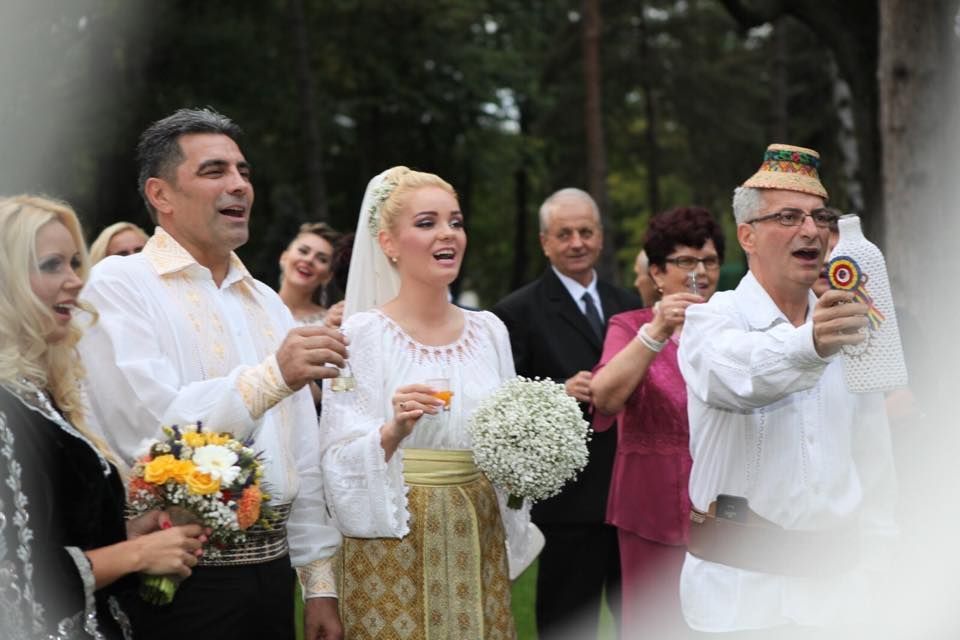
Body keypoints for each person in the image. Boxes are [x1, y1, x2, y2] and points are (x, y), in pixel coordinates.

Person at [77, 108, 346, 640]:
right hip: (176, 578)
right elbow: (152, 429)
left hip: (272, 577)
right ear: (161, 194)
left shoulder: (266, 301)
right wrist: (272, 377)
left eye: (243, 171)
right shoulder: (118, 285)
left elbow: (302, 452)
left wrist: (318, 583)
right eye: (214, 171)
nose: (239, 184)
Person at [677, 144, 897, 636]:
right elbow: (739, 379)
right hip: (740, 604)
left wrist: (879, 569)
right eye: (789, 217)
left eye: (820, 217)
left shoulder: (849, 325)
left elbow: (875, 460)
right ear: (747, 235)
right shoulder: (710, 320)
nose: (811, 230)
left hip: (839, 602)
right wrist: (812, 344)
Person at [320, 166, 543, 640]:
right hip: (393, 536)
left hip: (475, 528)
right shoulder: (362, 334)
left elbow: (508, 433)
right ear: (388, 243)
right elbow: (335, 456)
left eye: (455, 222)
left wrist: (533, 448)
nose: (448, 234)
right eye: (427, 223)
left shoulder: (490, 330)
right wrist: (392, 430)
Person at [0, 195, 204, 639]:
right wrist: (136, 555)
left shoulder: (39, 392)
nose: (75, 281)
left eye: (75, 263)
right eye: (51, 265)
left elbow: (56, 531)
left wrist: (127, 533)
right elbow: (13, 581)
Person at [492, 188, 641, 640]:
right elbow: (503, 398)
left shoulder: (628, 303)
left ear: (601, 237)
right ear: (544, 242)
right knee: (568, 623)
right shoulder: (516, 311)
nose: (577, 242)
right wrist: (559, 390)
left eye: (586, 232)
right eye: (564, 234)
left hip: (630, 493)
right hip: (569, 502)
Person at [590, 206, 724, 639]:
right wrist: (657, 331)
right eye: (686, 261)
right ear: (657, 273)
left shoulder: (734, 327)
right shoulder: (629, 326)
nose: (699, 273)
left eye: (710, 261)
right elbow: (605, 397)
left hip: (723, 507)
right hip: (650, 507)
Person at [278, 222, 344, 327]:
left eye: (322, 259)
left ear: (328, 276)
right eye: (303, 251)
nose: (309, 260)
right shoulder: (255, 305)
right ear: (284, 257)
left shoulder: (331, 323)